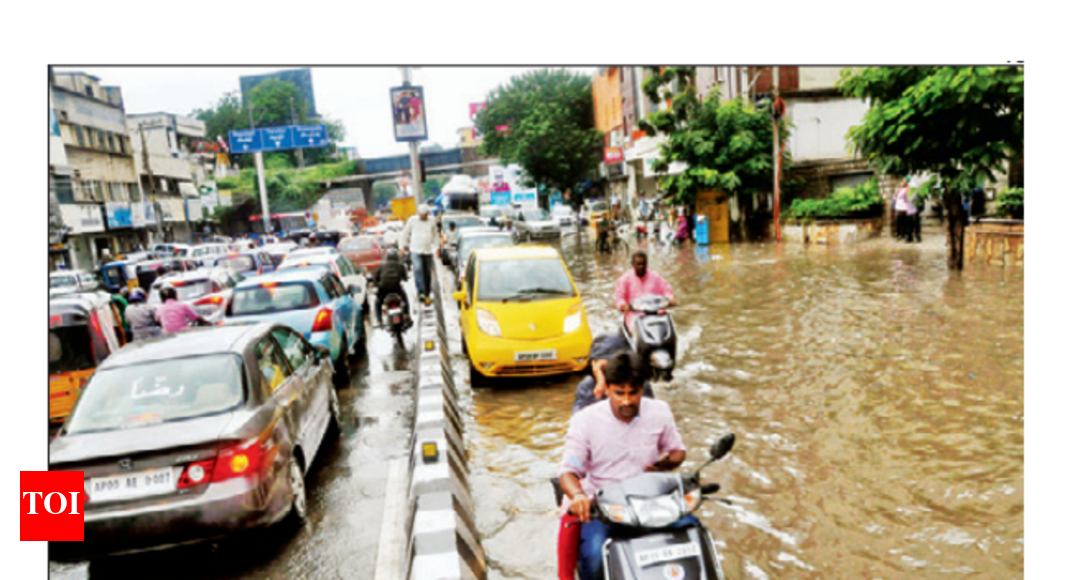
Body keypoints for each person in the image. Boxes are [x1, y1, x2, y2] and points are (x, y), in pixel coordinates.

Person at [558, 352, 689, 580]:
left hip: (650, 501)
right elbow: (568, 471)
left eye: (633, 392)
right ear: (607, 389)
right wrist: (578, 496)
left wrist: (665, 464)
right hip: (605, 508)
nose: (626, 401)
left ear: (642, 389)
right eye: (619, 393)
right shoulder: (585, 421)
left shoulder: (659, 411)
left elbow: (678, 451)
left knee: (692, 532)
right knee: (594, 557)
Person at [614, 251, 676, 336]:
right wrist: (624, 306)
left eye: (644, 264)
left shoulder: (655, 277)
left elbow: (666, 290)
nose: (641, 267)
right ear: (633, 265)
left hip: (657, 314)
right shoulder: (625, 279)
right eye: (638, 264)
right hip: (635, 315)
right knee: (636, 332)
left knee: (669, 330)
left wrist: (670, 299)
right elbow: (619, 297)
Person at [401, 203, 439, 301]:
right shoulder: (412, 220)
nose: (423, 216)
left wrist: (437, 247)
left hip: (428, 250)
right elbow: (405, 233)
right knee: (418, 269)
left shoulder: (432, 221)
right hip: (415, 250)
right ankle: (421, 292)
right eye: (422, 215)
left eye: (425, 215)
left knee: (427, 272)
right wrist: (404, 246)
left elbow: (435, 235)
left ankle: (427, 292)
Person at [373, 249, 411, 328]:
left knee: (377, 303)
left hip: (383, 289)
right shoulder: (400, 265)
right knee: (405, 299)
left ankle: (379, 321)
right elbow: (405, 278)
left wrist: (377, 284)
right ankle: (407, 315)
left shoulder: (381, 265)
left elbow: (375, 278)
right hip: (396, 288)